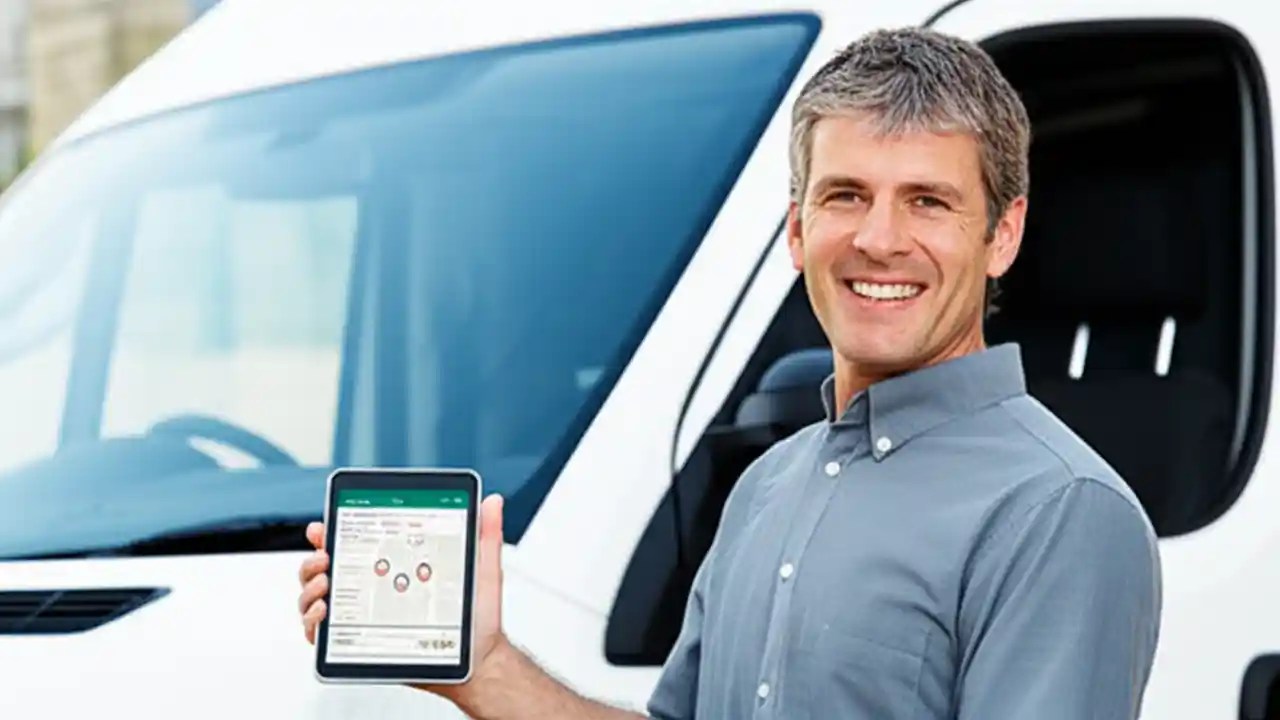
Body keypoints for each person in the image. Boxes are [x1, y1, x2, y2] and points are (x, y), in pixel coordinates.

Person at [297, 26, 1162, 719]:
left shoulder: (1059, 511)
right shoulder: (767, 488)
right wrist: (482, 668)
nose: (879, 239)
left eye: (928, 201)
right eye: (845, 195)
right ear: (796, 227)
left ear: (1001, 235)